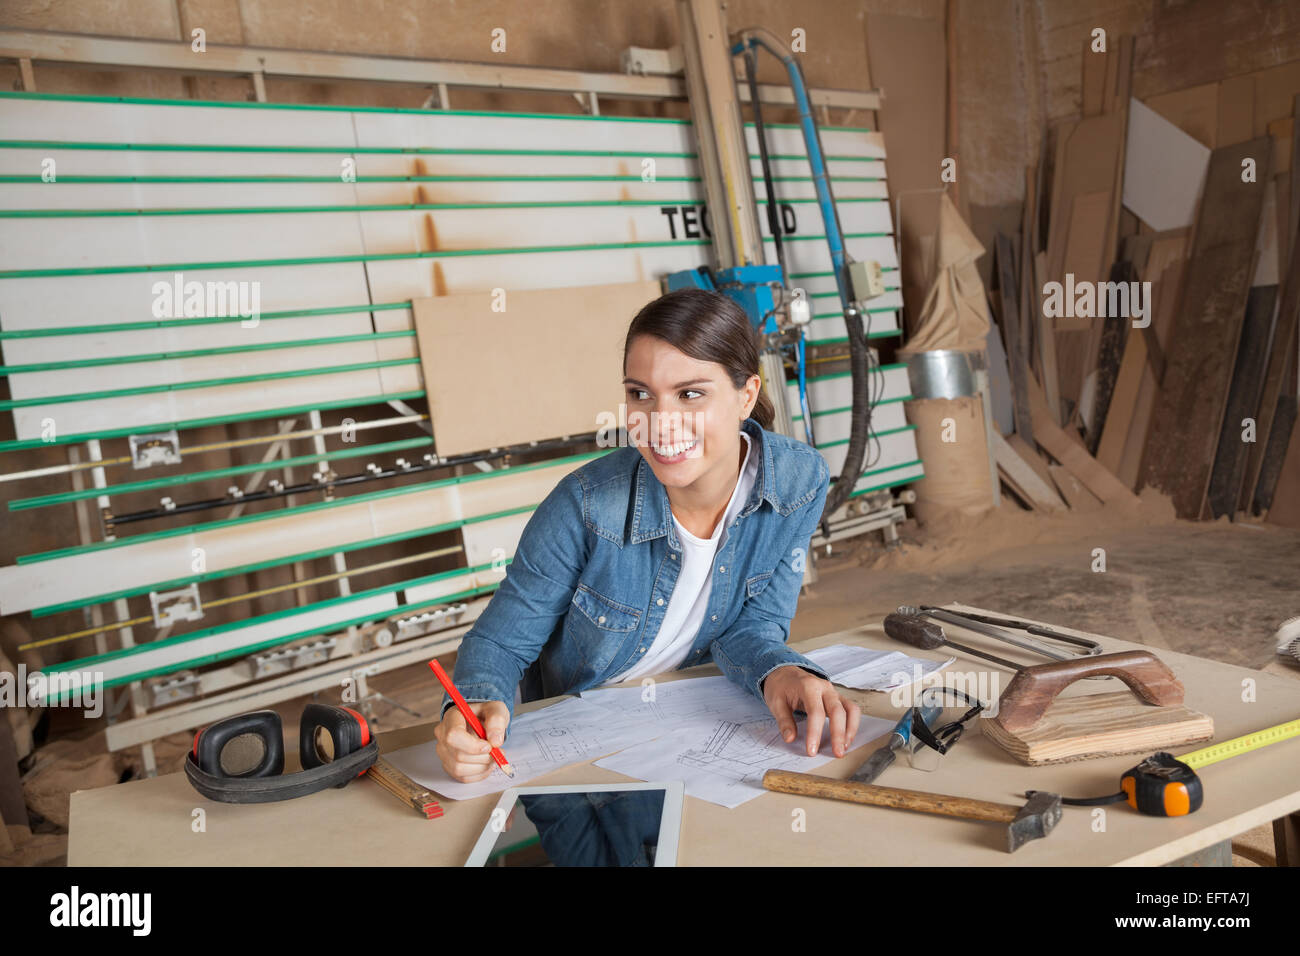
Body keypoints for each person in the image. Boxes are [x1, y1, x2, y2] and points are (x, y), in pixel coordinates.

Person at [434, 287, 861, 785]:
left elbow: (754, 625)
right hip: (584, 755)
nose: (660, 424)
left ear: (746, 394)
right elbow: (500, 645)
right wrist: (472, 710)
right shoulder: (585, 506)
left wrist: (781, 670)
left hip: (702, 726)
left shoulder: (798, 480)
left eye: (690, 393)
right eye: (640, 394)